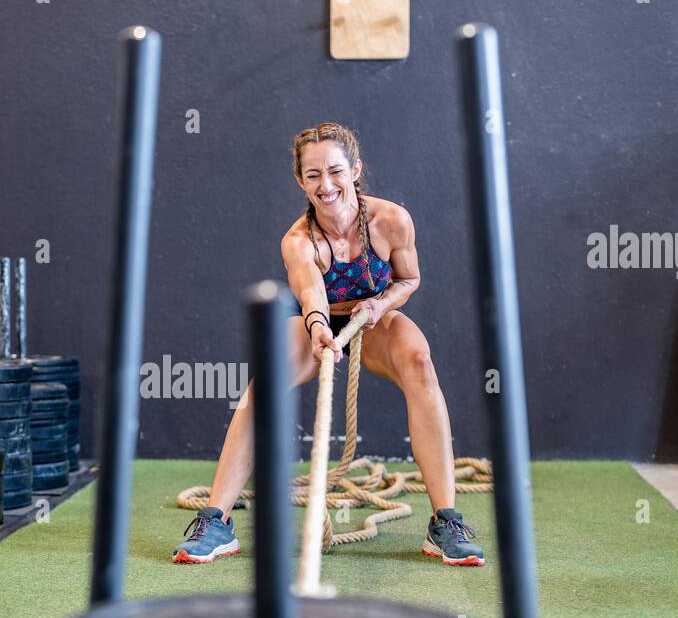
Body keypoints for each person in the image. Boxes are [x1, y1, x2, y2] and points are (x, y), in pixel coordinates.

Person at [173, 122, 484, 567]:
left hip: (374, 318)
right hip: (315, 322)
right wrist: (319, 327)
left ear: (356, 170)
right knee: (264, 383)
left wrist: (379, 307)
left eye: (335, 171)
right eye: (313, 174)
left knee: (419, 362)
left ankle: (446, 521)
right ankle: (215, 521)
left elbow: (409, 279)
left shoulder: (392, 220)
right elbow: (310, 293)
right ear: (301, 180)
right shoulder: (299, 241)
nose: (326, 184)